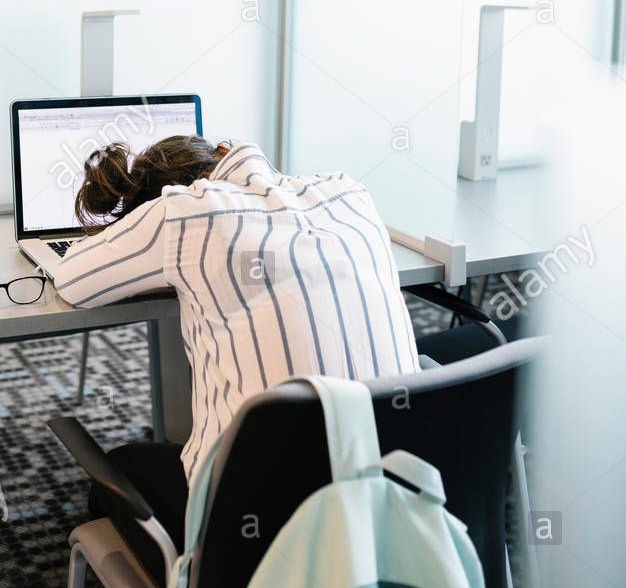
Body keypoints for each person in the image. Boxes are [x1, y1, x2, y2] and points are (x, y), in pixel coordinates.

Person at [54, 137, 419, 494]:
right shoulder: (349, 192)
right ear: (223, 153)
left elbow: (71, 280)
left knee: (123, 463)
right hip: (400, 496)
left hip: (257, 519)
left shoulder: (180, 211)